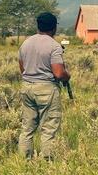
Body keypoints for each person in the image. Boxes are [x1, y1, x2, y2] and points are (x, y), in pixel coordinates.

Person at [17, 12, 70, 160]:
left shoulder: (26, 43)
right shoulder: (54, 46)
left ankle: (24, 161)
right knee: (48, 129)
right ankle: (48, 163)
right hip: (47, 89)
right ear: (53, 28)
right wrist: (67, 76)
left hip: (27, 87)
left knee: (27, 128)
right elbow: (59, 73)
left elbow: (22, 68)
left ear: (38, 26)